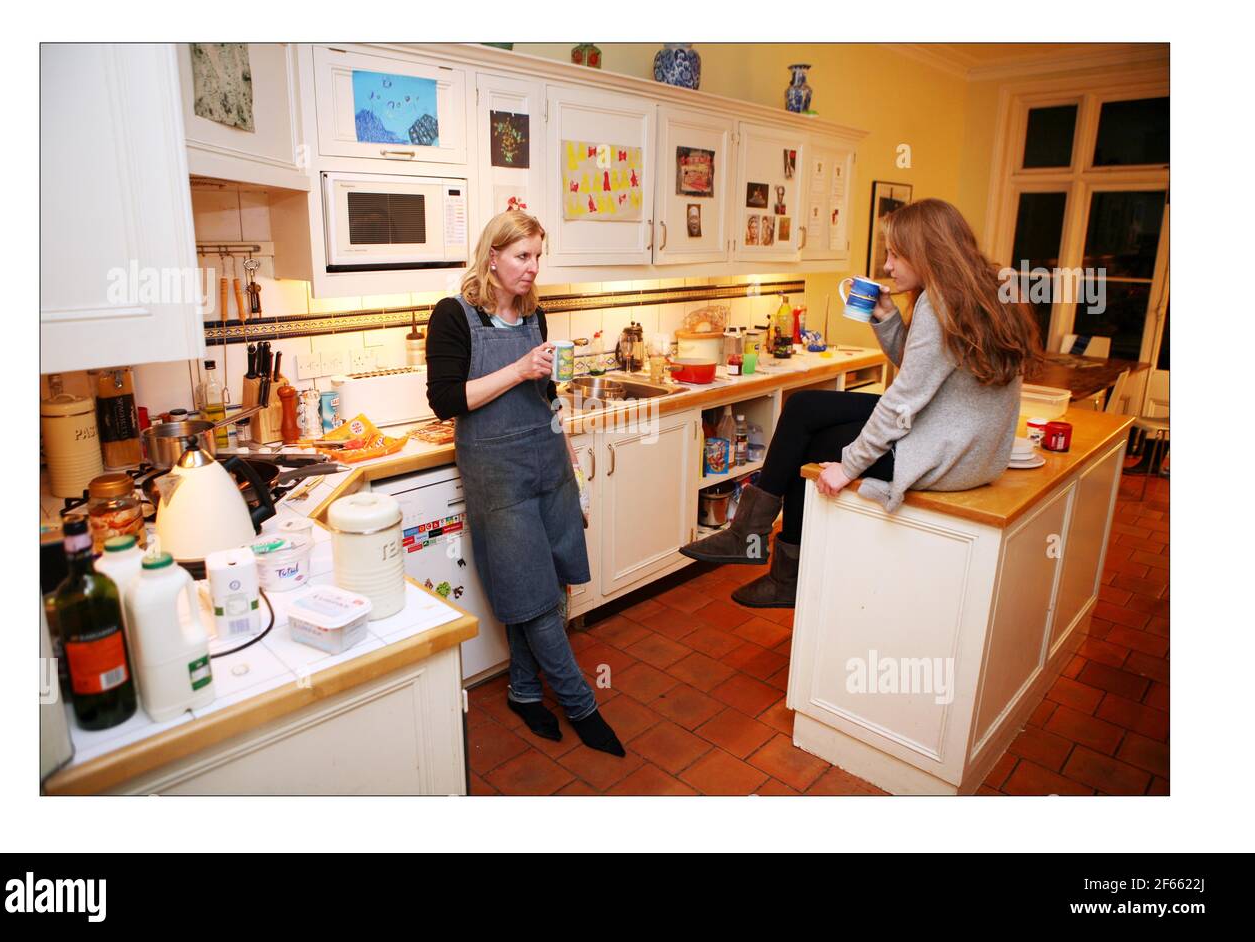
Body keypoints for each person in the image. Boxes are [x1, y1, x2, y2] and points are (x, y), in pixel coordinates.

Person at [680, 198, 1044, 607]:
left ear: (926, 251)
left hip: (945, 455)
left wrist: (848, 466)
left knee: (822, 445)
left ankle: (784, 573)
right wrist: (888, 318)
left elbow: (905, 396)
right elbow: (922, 371)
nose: (887, 266)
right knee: (805, 408)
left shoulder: (939, 303)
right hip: (970, 448)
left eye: (895, 254)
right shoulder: (984, 289)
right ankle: (750, 533)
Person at [425, 210, 625, 757]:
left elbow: (550, 397)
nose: (533, 268)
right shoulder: (455, 315)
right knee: (529, 592)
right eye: (522, 257)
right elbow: (445, 401)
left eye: (538, 256)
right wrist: (517, 370)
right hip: (497, 473)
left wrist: (574, 466)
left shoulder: (536, 317)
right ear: (493, 256)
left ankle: (524, 689)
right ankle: (580, 703)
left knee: (551, 581)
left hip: (549, 463)